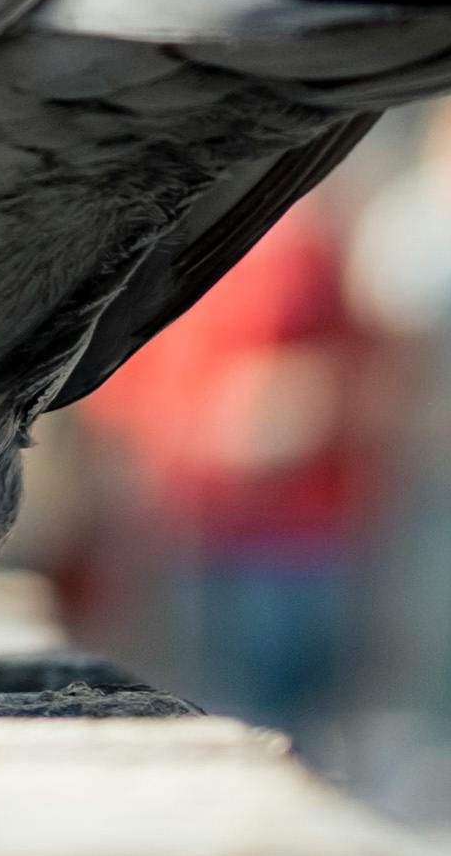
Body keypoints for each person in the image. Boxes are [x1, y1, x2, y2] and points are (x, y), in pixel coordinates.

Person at [87, 180, 394, 754]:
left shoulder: (302, 246)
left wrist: (300, 400)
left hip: (294, 530)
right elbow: (121, 392)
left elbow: (359, 373)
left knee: (282, 714)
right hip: (198, 518)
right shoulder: (156, 242)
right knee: (210, 703)